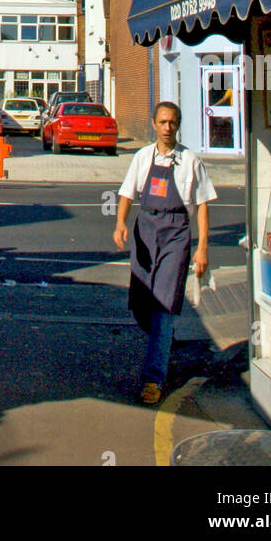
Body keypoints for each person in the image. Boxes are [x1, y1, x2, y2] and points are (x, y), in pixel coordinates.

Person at [113, 101, 216, 405]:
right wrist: (119, 224)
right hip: (146, 229)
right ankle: (164, 339)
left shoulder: (191, 161)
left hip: (176, 231)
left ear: (178, 125)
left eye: (173, 122)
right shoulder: (143, 157)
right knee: (141, 304)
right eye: (163, 122)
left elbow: (203, 205)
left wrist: (202, 248)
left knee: (163, 306)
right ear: (154, 125)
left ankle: (153, 379)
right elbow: (127, 193)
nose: (168, 128)